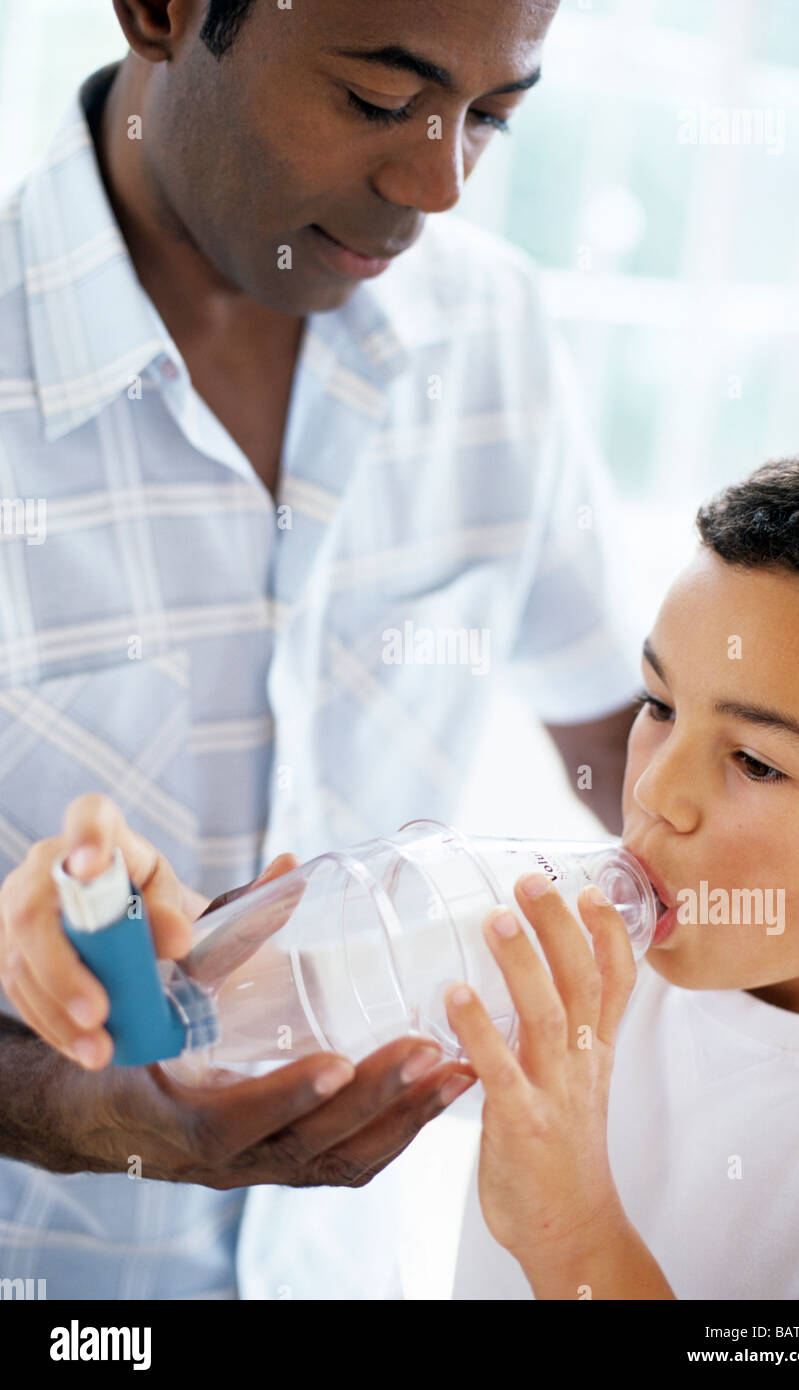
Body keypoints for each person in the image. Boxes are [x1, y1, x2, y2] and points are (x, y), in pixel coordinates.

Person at [0, 0, 640, 1299]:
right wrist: (80, 1112)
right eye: (373, 99)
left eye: (492, 118)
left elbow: (634, 754)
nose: (439, 181)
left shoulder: (495, 337)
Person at [452, 450, 799, 1300]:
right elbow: (294, 1008)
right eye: (659, 705)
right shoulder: (583, 944)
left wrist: (569, 1235)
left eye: (754, 762)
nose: (651, 791)